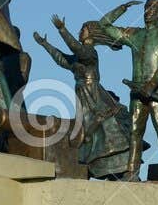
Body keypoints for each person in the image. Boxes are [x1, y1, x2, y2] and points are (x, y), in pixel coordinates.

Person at [33, 16, 131, 179]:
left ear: (91, 34)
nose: (80, 32)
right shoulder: (80, 57)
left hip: (94, 95)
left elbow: (77, 49)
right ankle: (97, 166)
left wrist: (62, 30)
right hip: (82, 96)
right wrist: (45, 44)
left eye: (83, 29)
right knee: (86, 132)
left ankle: (117, 167)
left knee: (101, 127)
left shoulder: (90, 53)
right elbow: (62, 59)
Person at [96, 0, 158, 180]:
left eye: (152, 9)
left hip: (156, 92)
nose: (147, 12)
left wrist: (151, 86)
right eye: (146, 8)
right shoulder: (135, 34)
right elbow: (104, 24)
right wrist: (122, 8)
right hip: (137, 91)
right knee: (135, 132)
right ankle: (132, 172)